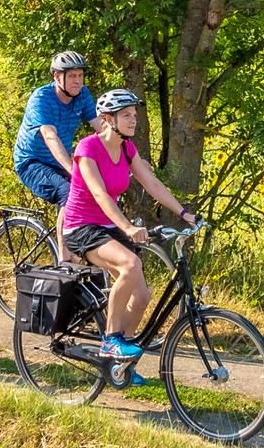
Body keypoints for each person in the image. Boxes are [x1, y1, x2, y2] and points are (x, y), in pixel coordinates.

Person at [60, 87, 196, 366]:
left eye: (134, 114)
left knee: (143, 296)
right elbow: (99, 194)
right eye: (126, 115)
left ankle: (120, 365)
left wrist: (184, 213)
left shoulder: (126, 147)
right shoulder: (87, 148)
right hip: (82, 228)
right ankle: (111, 341)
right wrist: (127, 227)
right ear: (108, 119)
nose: (134, 120)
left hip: (107, 227)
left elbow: (153, 183)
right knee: (131, 265)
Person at [13, 50, 97, 218]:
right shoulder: (42, 98)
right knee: (67, 193)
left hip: (59, 161)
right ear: (57, 76)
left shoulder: (83, 95)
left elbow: (103, 128)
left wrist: (133, 159)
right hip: (32, 162)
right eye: (72, 76)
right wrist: (74, 171)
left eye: (80, 76)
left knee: (97, 190)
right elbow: (50, 137)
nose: (78, 81)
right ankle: (63, 245)